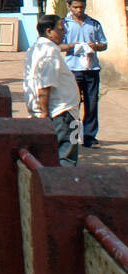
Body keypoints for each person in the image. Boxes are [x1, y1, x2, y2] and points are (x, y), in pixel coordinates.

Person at [23, 14, 81, 166]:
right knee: (67, 156)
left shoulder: (34, 48)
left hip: (60, 111)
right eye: (61, 30)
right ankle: (65, 187)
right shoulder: (50, 51)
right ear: (49, 31)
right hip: (62, 112)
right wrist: (44, 113)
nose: (64, 34)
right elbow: (45, 86)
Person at [61, 0, 107, 148]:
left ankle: (89, 138)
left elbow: (104, 44)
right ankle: (73, 138)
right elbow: (59, 45)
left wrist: (96, 46)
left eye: (82, 7)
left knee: (92, 104)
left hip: (91, 69)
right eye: (76, 7)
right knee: (73, 105)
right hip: (73, 69)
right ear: (69, 6)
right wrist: (73, 46)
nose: (79, 11)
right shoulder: (64, 25)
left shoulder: (94, 24)